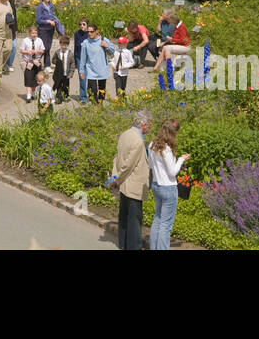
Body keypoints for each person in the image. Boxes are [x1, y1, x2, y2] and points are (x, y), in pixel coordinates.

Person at [110, 110, 153, 250]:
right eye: (149, 124)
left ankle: (123, 244)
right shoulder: (138, 141)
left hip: (124, 185)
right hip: (133, 184)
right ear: (144, 124)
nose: (150, 127)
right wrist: (117, 180)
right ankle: (134, 246)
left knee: (124, 216)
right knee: (134, 219)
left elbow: (117, 157)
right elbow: (129, 165)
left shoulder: (125, 134)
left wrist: (115, 176)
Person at [148, 119, 189, 250]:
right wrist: (181, 160)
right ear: (172, 133)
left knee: (157, 220)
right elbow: (172, 172)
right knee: (166, 225)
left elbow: (150, 165)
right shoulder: (166, 149)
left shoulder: (151, 145)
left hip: (156, 185)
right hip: (168, 188)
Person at [79, 22, 113, 104]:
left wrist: (106, 46)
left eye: (91, 31)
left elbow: (113, 51)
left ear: (97, 31)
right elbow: (83, 58)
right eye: (88, 32)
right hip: (91, 70)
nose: (89, 33)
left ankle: (100, 104)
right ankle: (95, 105)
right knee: (92, 90)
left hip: (102, 69)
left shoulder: (103, 40)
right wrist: (81, 71)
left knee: (102, 89)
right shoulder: (85, 43)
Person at [19, 25, 45, 102]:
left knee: (35, 79)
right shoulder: (25, 40)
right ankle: (28, 96)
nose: (34, 34)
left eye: (35, 33)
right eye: (32, 33)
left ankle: (33, 93)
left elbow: (43, 50)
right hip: (28, 63)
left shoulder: (39, 40)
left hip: (36, 62)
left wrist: (36, 51)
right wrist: (28, 51)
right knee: (28, 79)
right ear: (29, 33)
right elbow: (21, 50)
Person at [34, 0, 59, 67]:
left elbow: (52, 15)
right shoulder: (40, 7)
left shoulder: (51, 5)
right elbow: (38, 20)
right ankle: (36, 61)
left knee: (48, 47)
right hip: (43, 30)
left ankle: (45, 65)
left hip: (50, 29)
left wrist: (55, 20)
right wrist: (48, 21)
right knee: (44, 48)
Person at [52, 35, 75, 103]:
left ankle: (65, 96)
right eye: (62, 45)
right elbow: (53, 60)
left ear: (67, 45)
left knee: (66, 86)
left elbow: (72, 64)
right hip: (59, 72)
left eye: (65, 45)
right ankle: (59, 97)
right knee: (59, 85)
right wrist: (56, 62)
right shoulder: (57, 52)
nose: (63, 46)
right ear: (60, 44)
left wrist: (71, 73)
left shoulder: (70, 54)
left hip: (66, 73)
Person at [73, 18, 91, 102]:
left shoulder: (90, 34)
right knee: (82, 78)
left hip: (89, 58)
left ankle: (92, 95)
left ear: (87, 25)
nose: (81, 26)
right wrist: (75, 60)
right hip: (80, 58)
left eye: (84, 24)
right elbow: (75, 46)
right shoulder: (77, 33)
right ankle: (83, 97)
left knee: (91, 78)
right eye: (80, 24)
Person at [3, 0, 19, 73]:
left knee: (13, 47)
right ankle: (4, 63)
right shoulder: (1, 4)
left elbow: (15, 17)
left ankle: (10, 64)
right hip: (4, 29)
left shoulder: (12, 3)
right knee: (6, 48)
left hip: (12, 29)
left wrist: (16, 28)